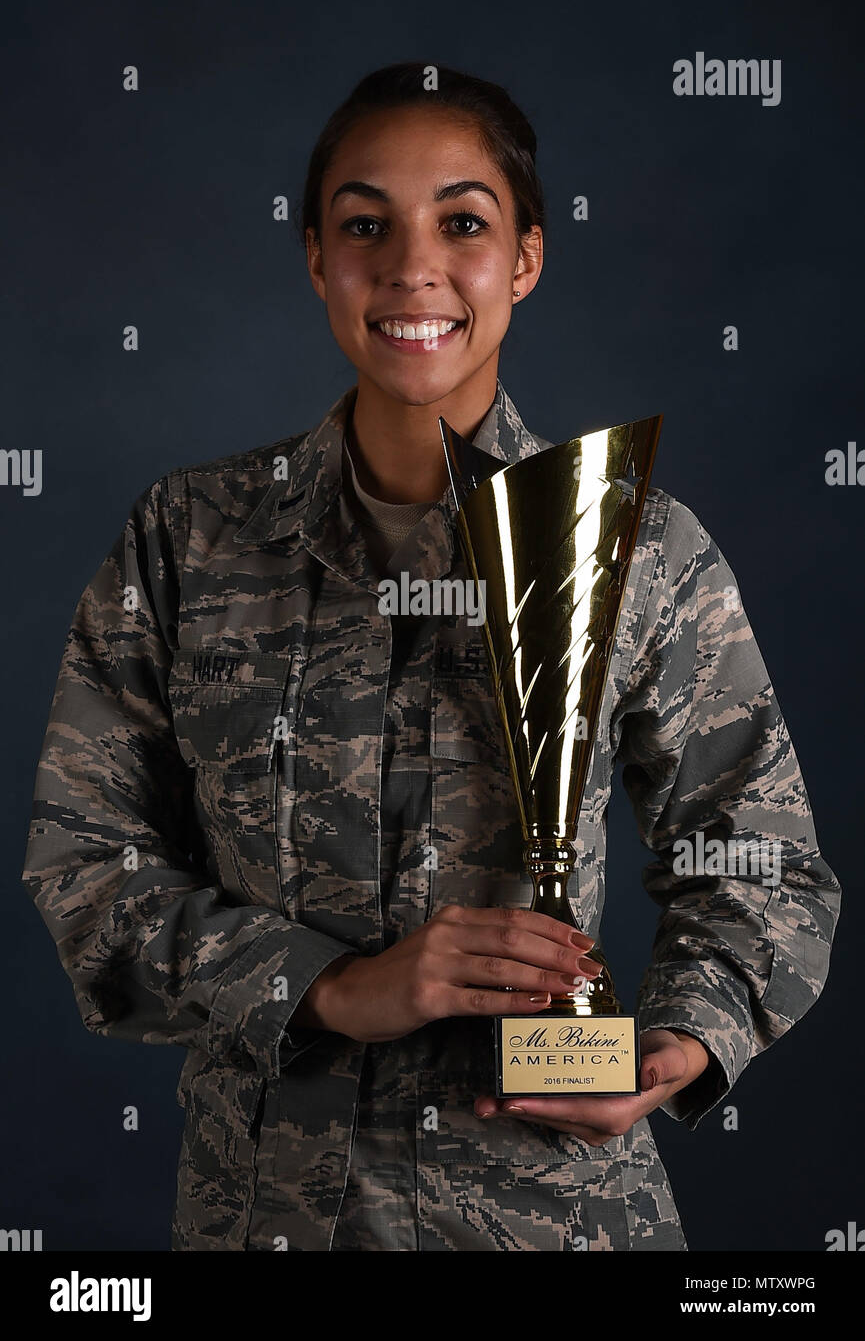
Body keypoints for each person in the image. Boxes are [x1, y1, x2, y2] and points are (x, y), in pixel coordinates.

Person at [22, 61, 840, 1252]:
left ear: (525, 259)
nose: (412, 267)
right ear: (314, 256)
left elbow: (762, 863)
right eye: (366, 225)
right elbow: (83, 864)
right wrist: (327, 985)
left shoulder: (638, 549)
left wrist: (674, 1046)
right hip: (268, 1223)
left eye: (462, 222)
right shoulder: (185, 539)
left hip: (553, 1222)